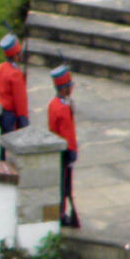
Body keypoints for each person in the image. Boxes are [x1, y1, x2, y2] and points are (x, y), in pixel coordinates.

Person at [47, 65, 80, 228]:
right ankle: (61, 214)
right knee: (64, 185)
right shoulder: (63, 109)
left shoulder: (54, 104)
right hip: (65, 152)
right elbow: (68, 134)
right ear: (65, 89)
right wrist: (73, 152)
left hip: (57, 150)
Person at [0, 33, 29, 134]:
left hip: (0, 110)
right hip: (11, 114)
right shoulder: (15, 74)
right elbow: (20, 99)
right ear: (16, 55)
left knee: (3, 138)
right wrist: (23, 118)